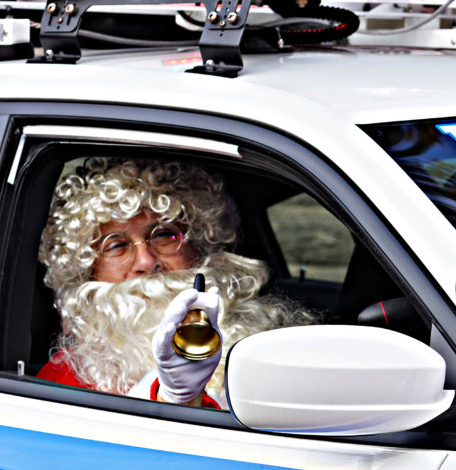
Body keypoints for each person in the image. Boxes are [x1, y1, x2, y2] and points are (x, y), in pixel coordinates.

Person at [37, 158, 316, 407]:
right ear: (89, 272)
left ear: (198, 246)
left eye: (164, 235)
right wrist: (174, 397)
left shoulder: (267, 345)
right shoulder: (62, 379)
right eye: (117, 246)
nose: (146, 261)